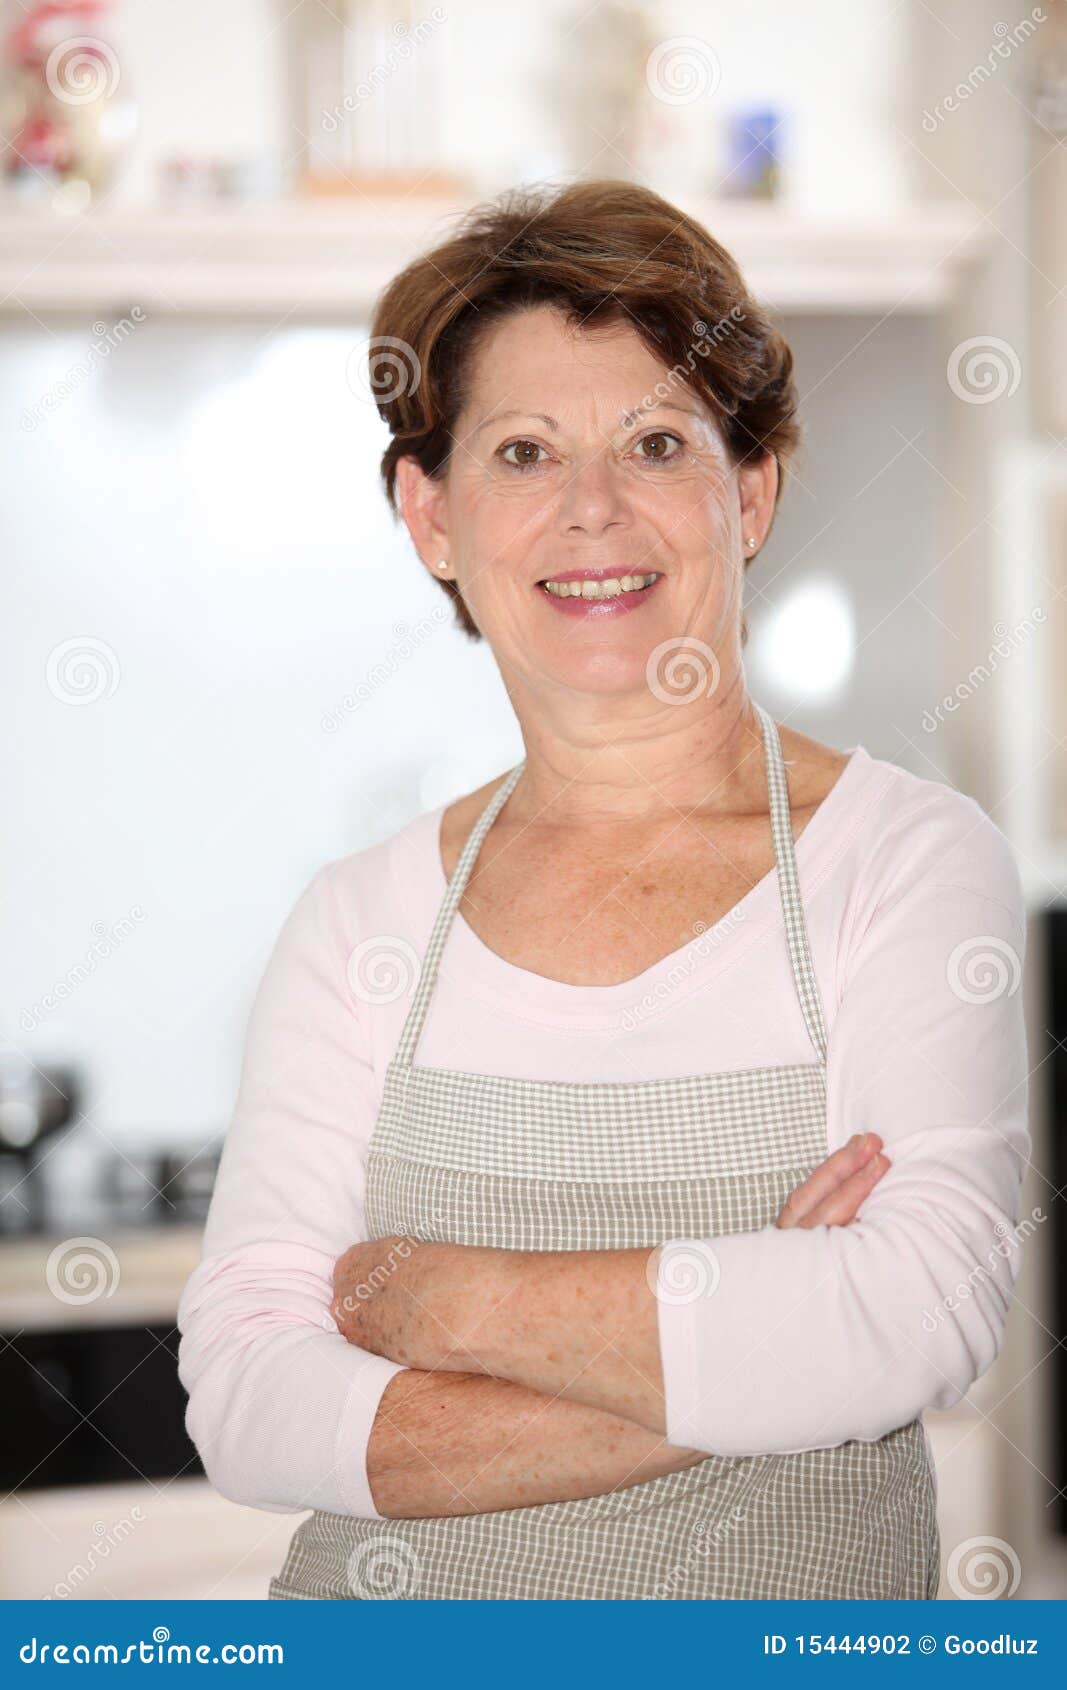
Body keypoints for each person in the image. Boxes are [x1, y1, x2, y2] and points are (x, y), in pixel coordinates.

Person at [177, 179, 1030, 1601]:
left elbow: (918, 1310)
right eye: (521, 452)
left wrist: (441, 1299)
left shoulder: (906, 860)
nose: (591, 509)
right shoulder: (361, 920)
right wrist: (751, 1333)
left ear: (745, 493)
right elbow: (250, 1401)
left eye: (653, 442)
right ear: (433, 516)